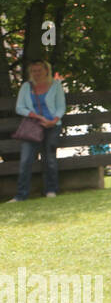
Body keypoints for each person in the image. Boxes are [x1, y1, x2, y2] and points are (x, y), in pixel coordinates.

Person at [11, 59, 65, 201]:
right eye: (33, 71)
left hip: (52, 126)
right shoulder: (26, 87)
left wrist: (52, 121)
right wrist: (37, 116)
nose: (36, 73)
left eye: (39, 70)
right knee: (26, 159)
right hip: (33, 126)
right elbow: (19, 107)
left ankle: (51, 190)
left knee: (50, 158)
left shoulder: (56, 85)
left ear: (46, 70)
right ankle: (21, 195)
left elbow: (61, 107)